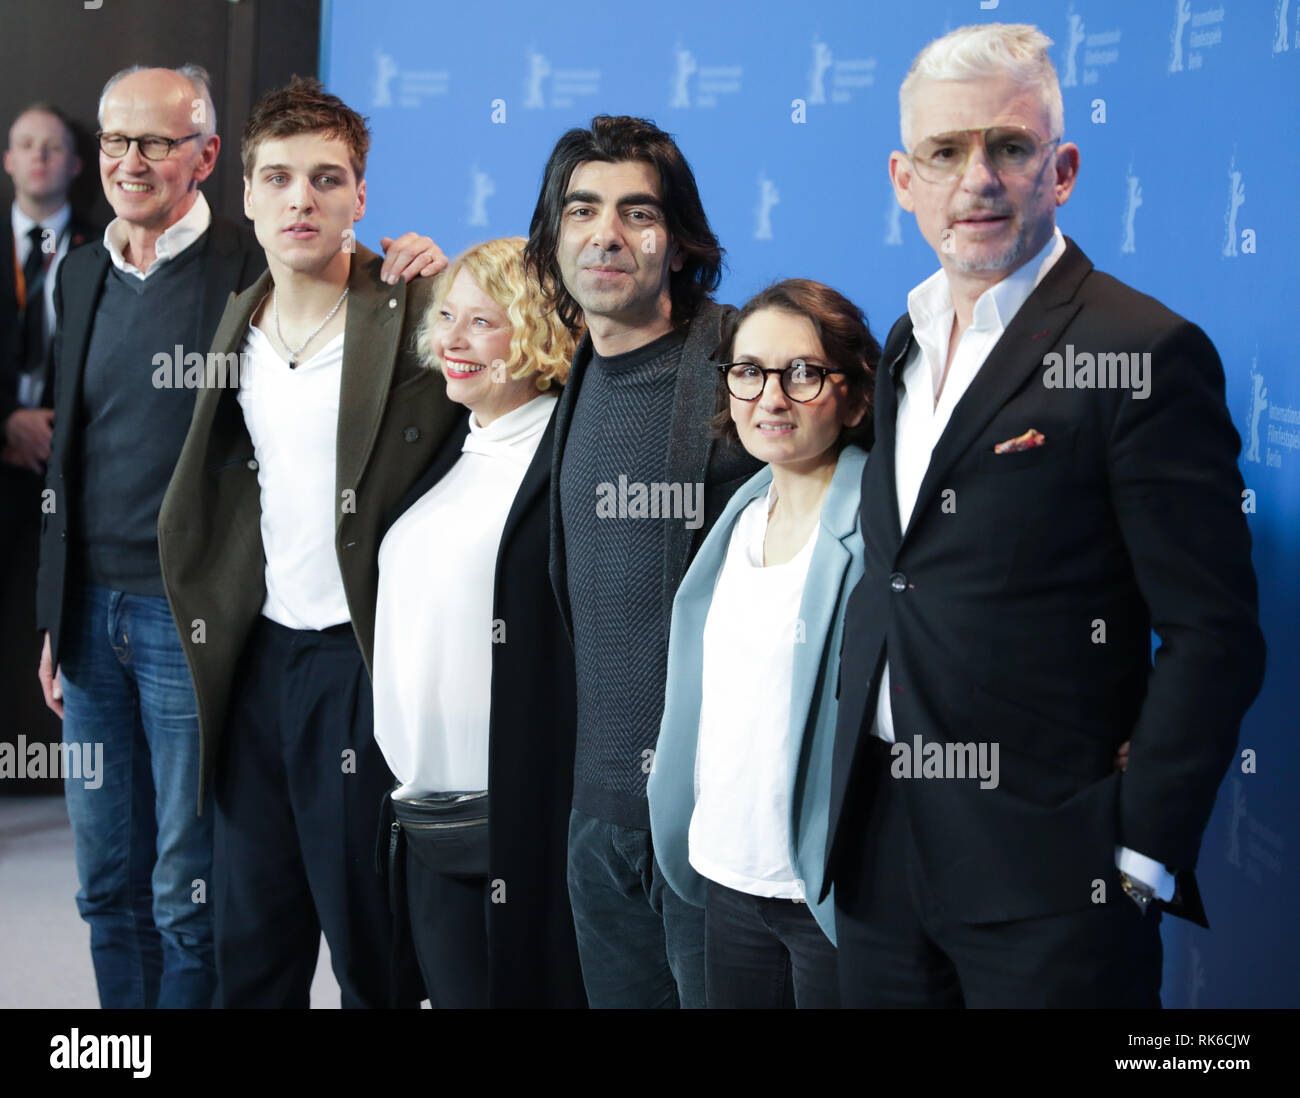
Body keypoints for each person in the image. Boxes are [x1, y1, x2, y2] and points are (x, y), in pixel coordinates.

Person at [823, 23, 1266, 1008]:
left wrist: (1139, 858)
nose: (975, 178)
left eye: (1008, 147)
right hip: (877, 855)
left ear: (1059, 169)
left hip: (1053, 876)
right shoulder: (902, 336)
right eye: (943, 152)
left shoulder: (1141, 348)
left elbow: (1213, 635)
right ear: (903, 177)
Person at [35, 65, 440, 1011]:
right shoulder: (121, 282)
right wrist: (55, 610)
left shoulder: (322, 289)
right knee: (154, 901)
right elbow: (74, 455)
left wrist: (428, 263)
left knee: (252, 908)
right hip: (158, 632)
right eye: (116, 142)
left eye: (158, 143)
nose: (133, 162)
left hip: (276, 641)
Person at [157, 76, 456, 1009]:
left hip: (364, 663)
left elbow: (519, 359)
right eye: (278, 179)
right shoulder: (235, 323)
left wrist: (449, 285)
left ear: (360, 198)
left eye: (327, 180)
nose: (302, 200)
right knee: (252, 944)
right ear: (244, 195)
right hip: (260, 664)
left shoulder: (414, 311)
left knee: (372, 942)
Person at [524, 115, 761, 1008]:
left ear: (681, 238)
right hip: (596, 819)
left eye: (638, 212)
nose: (607, 234)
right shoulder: (575, 371)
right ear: (552, 237)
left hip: (716, 822)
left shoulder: (748, 363)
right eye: (581, 210)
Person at [648, 279, 877, 1008]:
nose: (772, 398)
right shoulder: (739, 515)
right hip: (726, 879)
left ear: (856, 395)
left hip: (831, 896)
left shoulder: (884, 531)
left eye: (803, 373)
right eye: (749, 372)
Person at [373, 236, 586, 1008]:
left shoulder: (565, 462)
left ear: (536, 332)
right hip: (425, 825)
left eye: (482, 323)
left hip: (515, 828)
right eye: (446, 318)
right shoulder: (457, 444)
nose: (451, 342)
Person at [0, 103, 95, 772]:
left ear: (76, 165)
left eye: (53, 147)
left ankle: (48, 757)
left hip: (73, 467)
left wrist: (56, 434)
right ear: (7, 159)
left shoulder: (101, 251)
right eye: (25, 145)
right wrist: (5, 421)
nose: (38, 157)